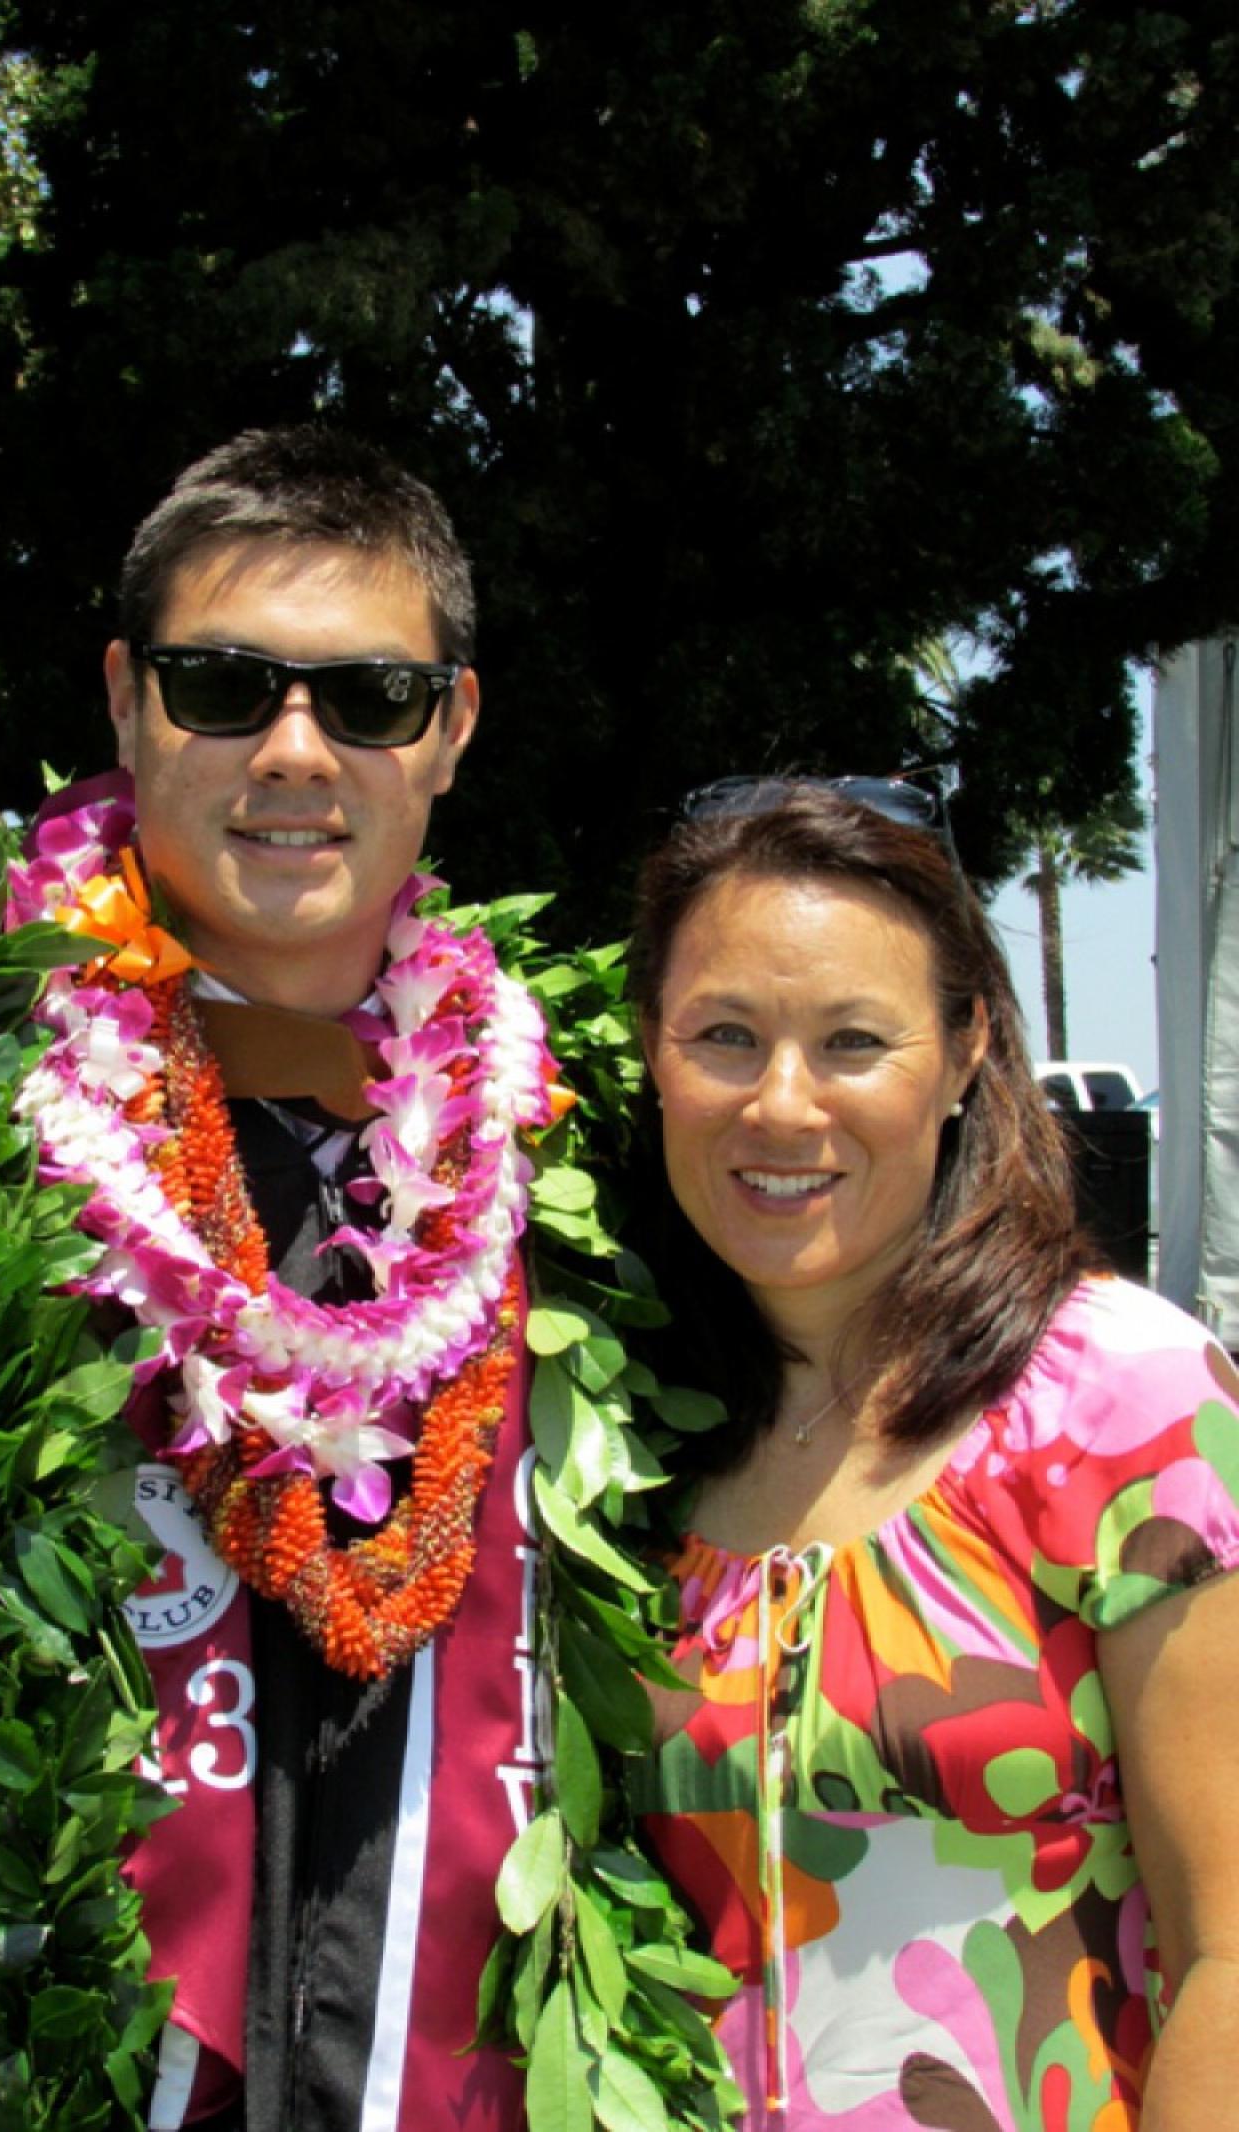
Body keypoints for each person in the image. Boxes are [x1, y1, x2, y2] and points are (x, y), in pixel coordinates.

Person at [0, 428, 551, 2131]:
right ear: (130, 703)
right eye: (226, 686)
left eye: (368, 697)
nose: (297, 750)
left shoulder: (552, 1188)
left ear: (451, 729)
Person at [624, 776, 1239, 2130]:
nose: (783, 1107)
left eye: (853, 1042)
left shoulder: (1121, 1400)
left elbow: (1230, 1961)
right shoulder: (616, 1437)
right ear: (653, 1055)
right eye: (725, 1035)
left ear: (965, 1053)